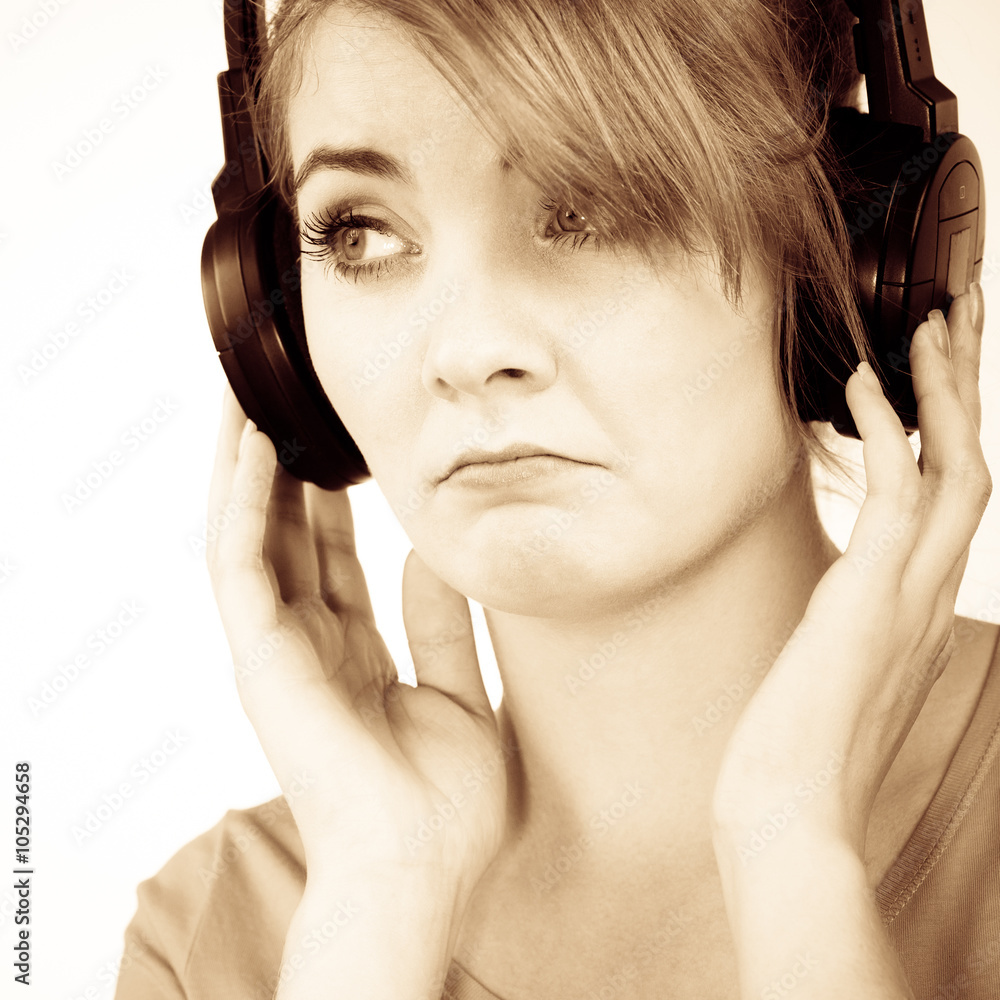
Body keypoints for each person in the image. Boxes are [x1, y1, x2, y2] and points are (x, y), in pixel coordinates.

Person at [115, 0, 998, 997]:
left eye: (588, 207)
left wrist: (794, 853)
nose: (466, 352)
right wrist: (379, 905)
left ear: (851, 244)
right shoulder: (217, 939)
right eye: (359, 232)